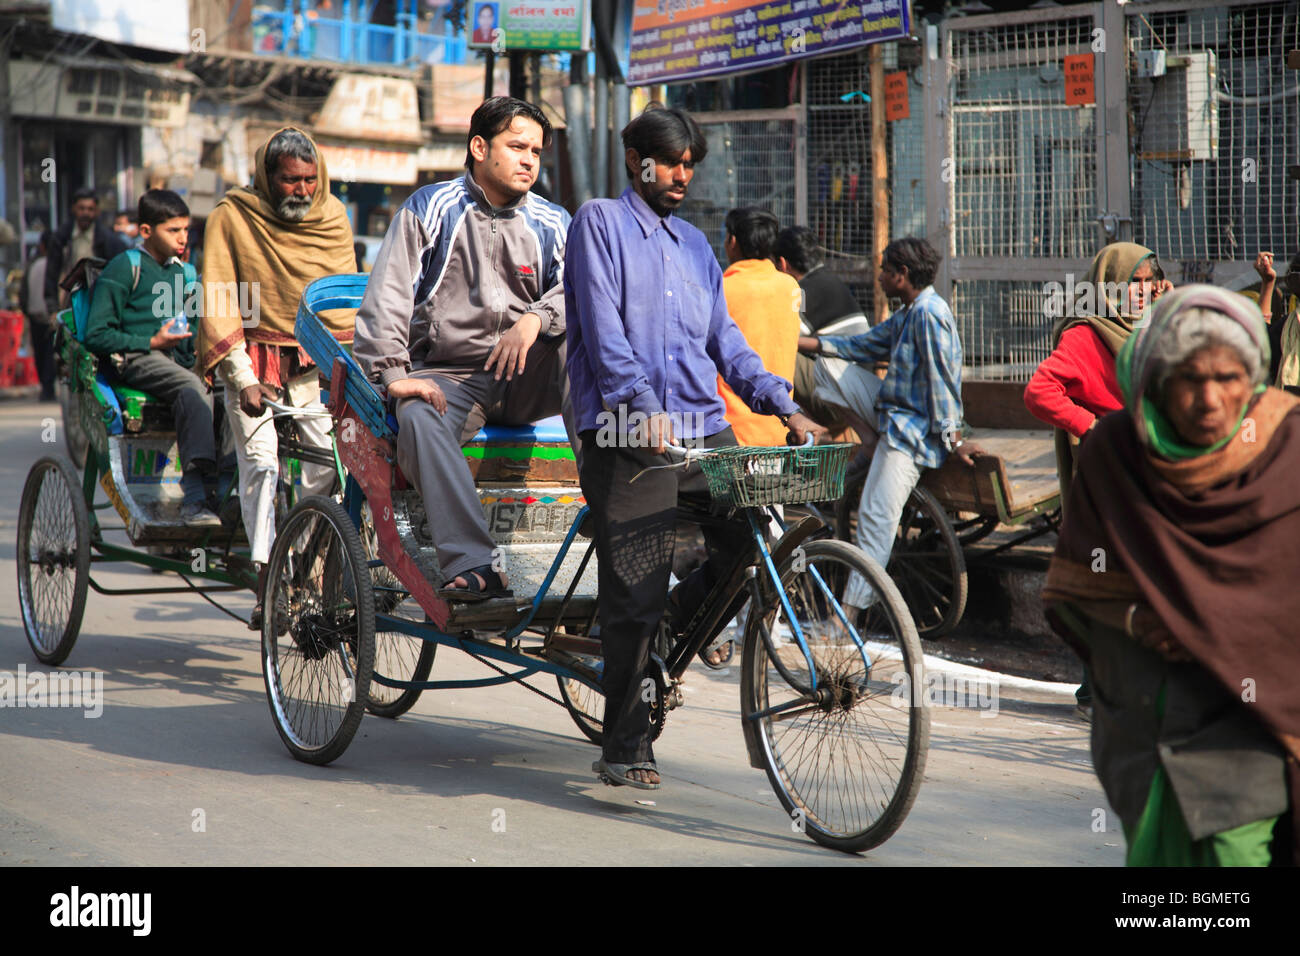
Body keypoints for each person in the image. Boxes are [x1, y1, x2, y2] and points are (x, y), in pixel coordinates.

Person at [566, 105, 825, 790]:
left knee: (759, 542)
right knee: (636, 589)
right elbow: (602, 332)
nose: (682, 175)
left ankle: (680, 621)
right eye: (671, 161)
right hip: (628, 434)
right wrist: (643, 409)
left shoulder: (696, 247)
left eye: (690, 165)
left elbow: (727, 346)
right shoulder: (599, 223)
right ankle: (624, 743)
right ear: (635, 160)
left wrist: (785, 404)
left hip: (703, 430)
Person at [1042, 285, 1300, 866]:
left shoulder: (1286, 450)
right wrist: (1135, 618)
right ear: (1155, 382)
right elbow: (1079, 581)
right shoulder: (1116, 451)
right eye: (1188, 379)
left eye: (1229, 378)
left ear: (1255, 378)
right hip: (1145, 715)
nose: (1210, 399)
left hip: (1254, 715)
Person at [354, 96, 572, 603]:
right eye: (517, 147)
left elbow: (582, 290)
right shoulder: (430, 209)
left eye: (536, 152)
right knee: (413, 412)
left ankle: (621, 544)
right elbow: (387, 297)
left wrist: (536, 320)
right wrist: (393, 374)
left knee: (586, 368)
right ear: (479, 147)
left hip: (528, 374)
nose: (528, 161)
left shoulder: (553, 221)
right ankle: (476, 566)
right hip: (450, 379)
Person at [198, 127, 357, 624]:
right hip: (249, 361)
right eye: (291, 181)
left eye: (310, 180)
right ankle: (266, 569)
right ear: (268, 178)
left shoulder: (332, 217)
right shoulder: (232, 217)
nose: (303, 191)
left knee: (332, 463)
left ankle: (301, 551)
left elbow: (346, 303)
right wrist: (242, 378)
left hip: (315, 362)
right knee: (262, 464)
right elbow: (220, 298)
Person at [798, 237, 973, 616]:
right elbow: (861, 347)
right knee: (826, 367)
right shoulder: (909, 311)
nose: (878, 277)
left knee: (876, 519)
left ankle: (849, 617)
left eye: (884, 270)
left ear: (902, 274)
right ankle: (869, 440)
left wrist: (954, 440)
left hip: (912, 434)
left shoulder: (929, 314)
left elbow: (942, 381)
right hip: (889, 418)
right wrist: (803, 343)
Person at [83, 191, 219, 526]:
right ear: (146, 231)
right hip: (135, 357)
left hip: (174, 359)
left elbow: (196, 328)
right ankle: (196, 496)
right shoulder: (124, 267)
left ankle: (225, 486)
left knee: (228, 392)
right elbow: (96, 335)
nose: (183, 238)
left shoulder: (185, 274)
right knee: (191, 387)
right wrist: (151, 340)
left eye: (186, 229)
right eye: (173, 230)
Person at [1024, 242, 1173, 508]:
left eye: (1150, 281)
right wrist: (1091, 427)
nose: (1144, 289)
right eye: (1134, 281)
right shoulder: (1084, 336)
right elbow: (1039, 392)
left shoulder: (1144, 324)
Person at [717, 207, 800, 447]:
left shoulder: (722, 289)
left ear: (732, 241)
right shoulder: (791, 286)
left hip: (732, 430)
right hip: (781, 423)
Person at [773, 224, 868, 429]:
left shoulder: (804, 291)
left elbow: (786, 338)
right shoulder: (827, 281)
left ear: (782, 263)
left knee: (775, 352)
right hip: (854, 392)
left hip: (840, 398)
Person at [44, 187, 127, 316]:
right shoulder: (62, 237)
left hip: (98, 305)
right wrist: (53, 309)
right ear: (73, 209)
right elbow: (51, 274)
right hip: (67, 303)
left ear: (97, 211)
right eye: (81, 208)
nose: (85, 213)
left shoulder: (108, 240)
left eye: (90, 209)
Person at [1254, 250, 1300, 389]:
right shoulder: (1286, 330)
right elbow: (1261, 342)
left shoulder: (1288, 329)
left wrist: (1268, 284)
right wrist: (1268, 284)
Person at [19, 231, 55, 401]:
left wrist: (27, 310)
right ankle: (47, 388)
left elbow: (23, 293)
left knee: (42, 354)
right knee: (48, 354)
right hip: (50, 317)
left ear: (41, 246)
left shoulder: (33, 265)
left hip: (36, 316)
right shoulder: (54, 266)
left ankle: (46, 388)